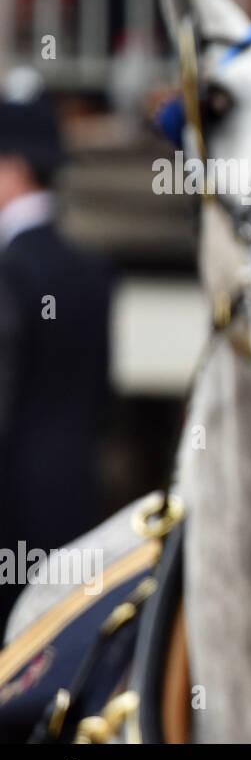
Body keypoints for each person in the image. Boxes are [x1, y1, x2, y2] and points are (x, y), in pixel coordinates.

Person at [0, 73, 113, 636]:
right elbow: (101, 397)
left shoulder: (10, 270)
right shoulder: (92, 270)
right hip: (75, 503)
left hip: (11, 513)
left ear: (15, 168)